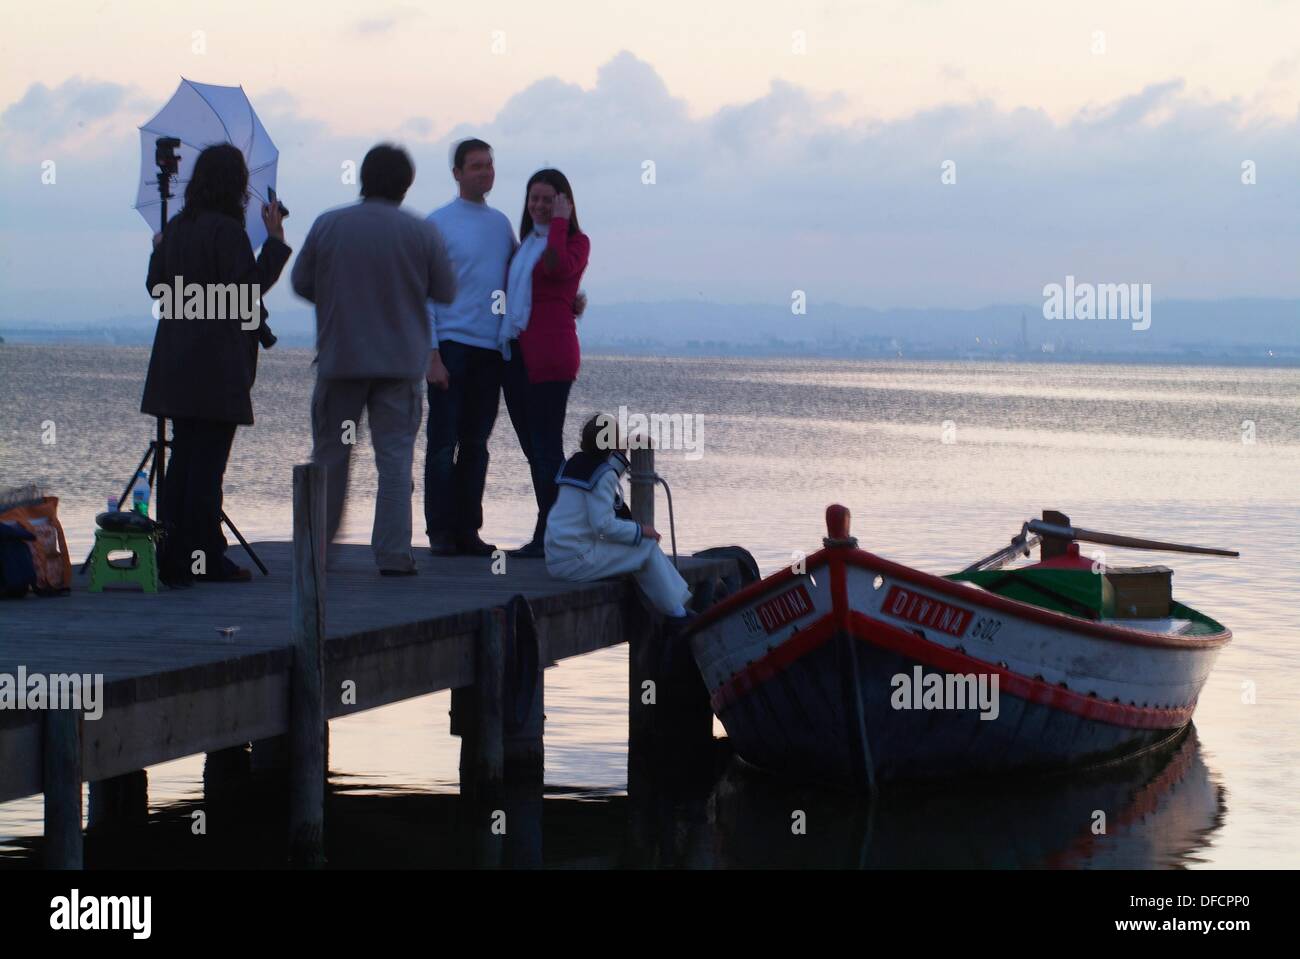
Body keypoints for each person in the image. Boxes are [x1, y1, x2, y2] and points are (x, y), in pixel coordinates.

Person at [291, 143, 457, 575]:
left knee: (331, 457)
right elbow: (447, 291)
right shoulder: (421, 233)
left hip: (341, 362)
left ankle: (316, 552)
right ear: (406, 185)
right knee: (396, 463)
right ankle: (394, 554)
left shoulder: (329, 224)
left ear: (362, 178)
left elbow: (302, 282)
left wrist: (336, 298)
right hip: (399, 368)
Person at [142, 142, 291, 587]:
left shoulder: (179, 229)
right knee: (206, 466)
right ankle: (204, 556)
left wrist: (158, 250)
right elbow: (247, 292)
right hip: (216, 369)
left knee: (184, 462)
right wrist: (276, 243)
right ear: (236, 186)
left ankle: (176, 554)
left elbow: (157, 288)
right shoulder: (228, 233)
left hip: (175, 365)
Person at [422, 139, 515, 557]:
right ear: (457, 173)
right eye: (475, 166)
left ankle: (468, 529)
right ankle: (440, 531)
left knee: (476, 444)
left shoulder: (500, 225)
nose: (484, 172)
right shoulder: (437, 223)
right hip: (451, 345)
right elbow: (422, 292)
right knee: (442, 443)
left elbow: (518, 281)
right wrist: (431, 354)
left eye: (489, 165)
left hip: (489, 350)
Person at [499, 169, 590, 558]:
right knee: (533, 449)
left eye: (547, 199)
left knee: (547, 448)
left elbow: (556, 269)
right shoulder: (524, 246)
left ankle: (551, 534)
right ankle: (552, 530)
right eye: (533, 198)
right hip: (516, 354)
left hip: (551, 357)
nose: (537, 205)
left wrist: (559, 222)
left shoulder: (575, 241)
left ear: (564, 202)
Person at [545, 414, 692, 620]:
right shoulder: (603, 474)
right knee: (646, 547)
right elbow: (603, 526)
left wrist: (621, 452)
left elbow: (602, 476)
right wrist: (642, 530)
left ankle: (678, 607)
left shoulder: (573, 463)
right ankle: (678, 615)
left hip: (556, 557)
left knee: (642, 549)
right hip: (576, 561)